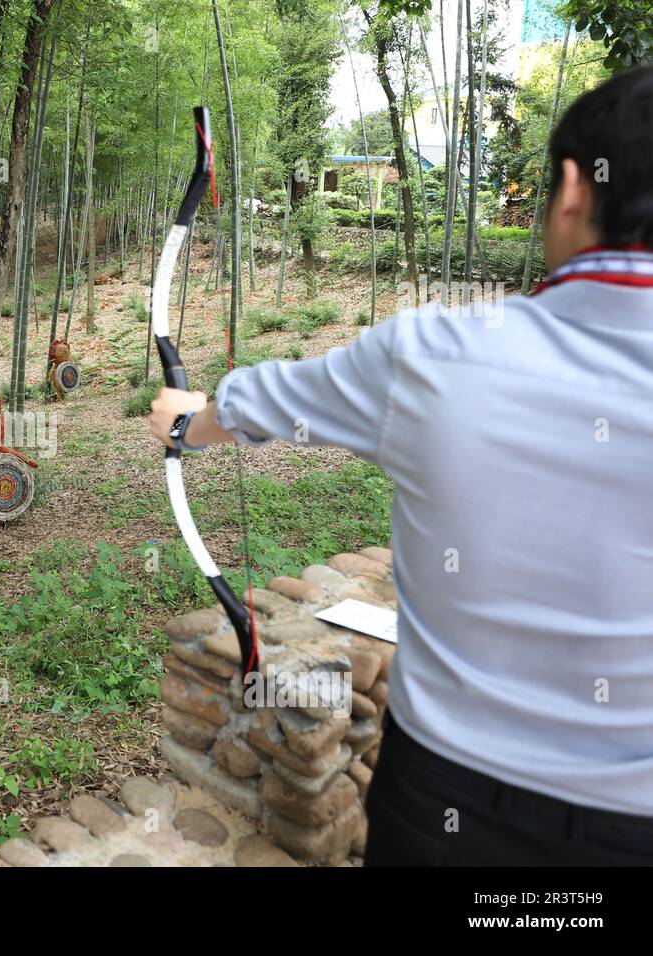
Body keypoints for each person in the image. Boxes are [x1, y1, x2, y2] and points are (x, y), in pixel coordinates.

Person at [149, 66, 653, 865]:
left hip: (451, 808)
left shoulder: (438, 357)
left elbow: (254, 407)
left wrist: (188, 423)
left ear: (570, 190)